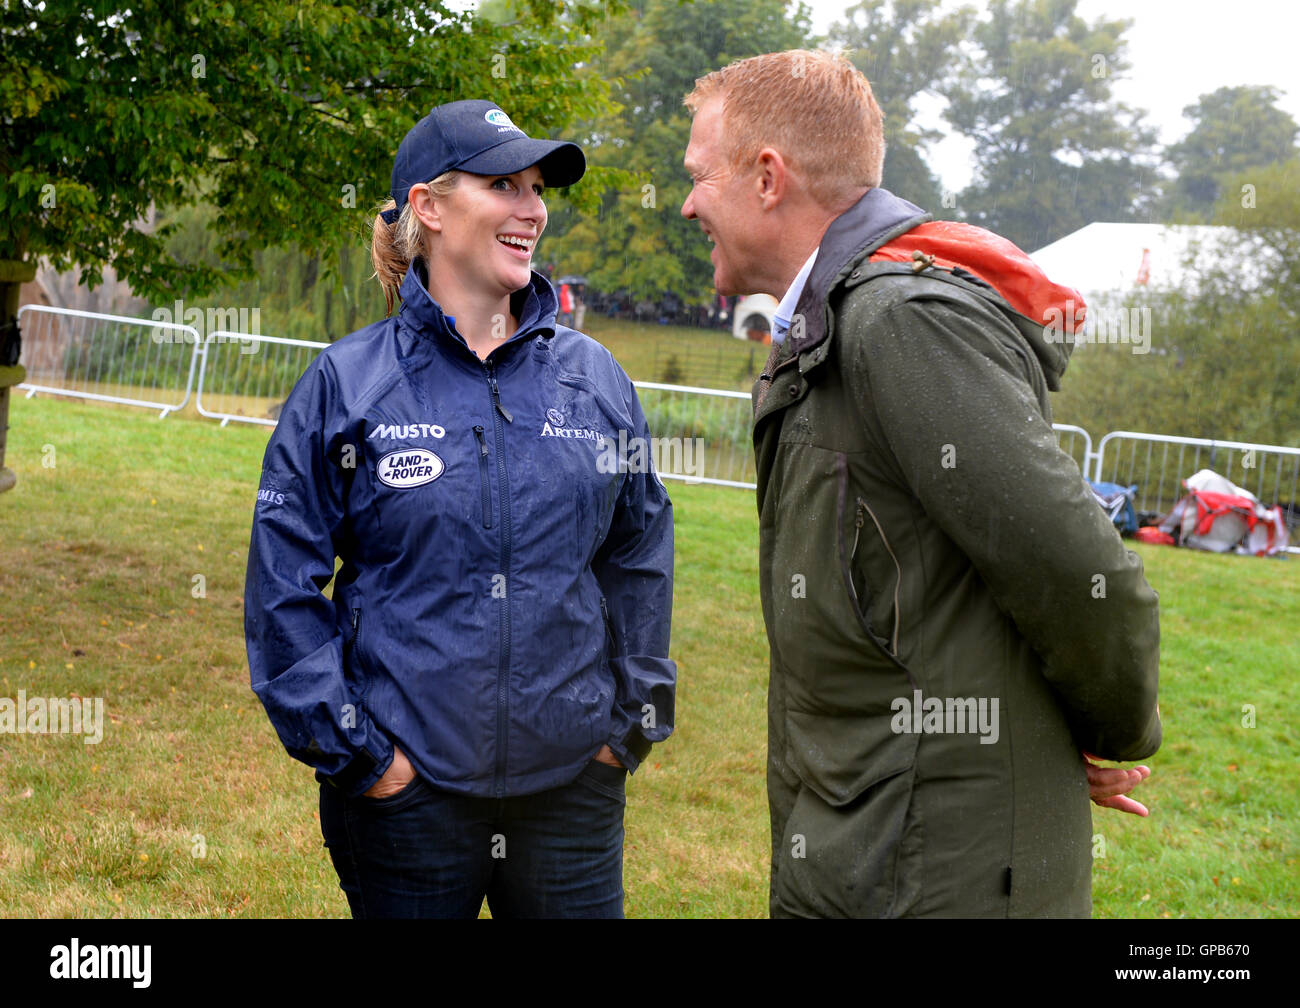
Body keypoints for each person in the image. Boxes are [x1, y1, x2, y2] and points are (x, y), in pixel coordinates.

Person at [681, 51, 1160, 918]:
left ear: (766, 177)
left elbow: (1078, 570)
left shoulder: (899, 324)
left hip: (936, 868)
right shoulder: (831, 318)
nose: (685, 204)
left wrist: (1109, 731)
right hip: (868, 847)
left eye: (697, 177)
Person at [244, 99, 676, 919]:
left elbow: (637, 552)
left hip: (573, 793)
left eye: (538, 188)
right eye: (504, 185)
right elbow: (282, 594)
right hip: (408, 800)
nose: (533, 209)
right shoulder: (347, 384)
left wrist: (626, 730)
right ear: (429, 209)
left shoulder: (595, 381)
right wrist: (366, 761)